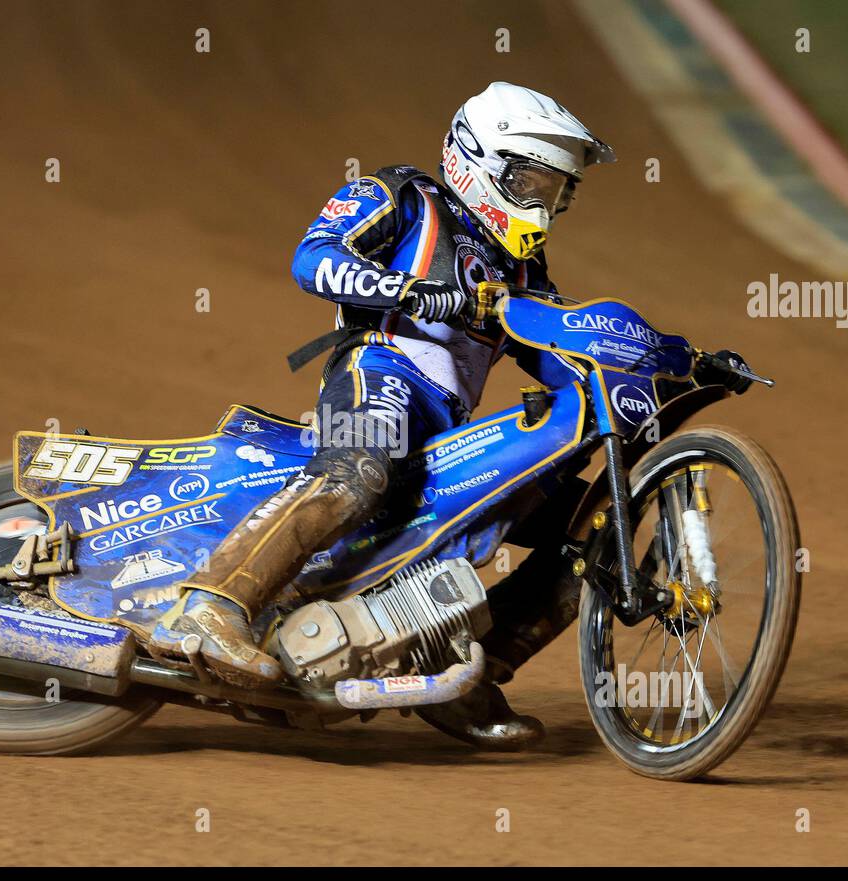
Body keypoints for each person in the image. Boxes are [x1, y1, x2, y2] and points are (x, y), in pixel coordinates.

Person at [152, 81, 617, 750]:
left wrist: (636, 362)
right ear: (479, 161)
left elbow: (554, 348)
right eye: (530, 182)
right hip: (378, 374)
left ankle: (470, 665)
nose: (542, 204)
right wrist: (405, 290)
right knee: (360, 468)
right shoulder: (407, 197)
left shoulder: (523, 270)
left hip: (449, 425)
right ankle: (210, 606)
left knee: (590, 527)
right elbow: (312, 258)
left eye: (555, 189)